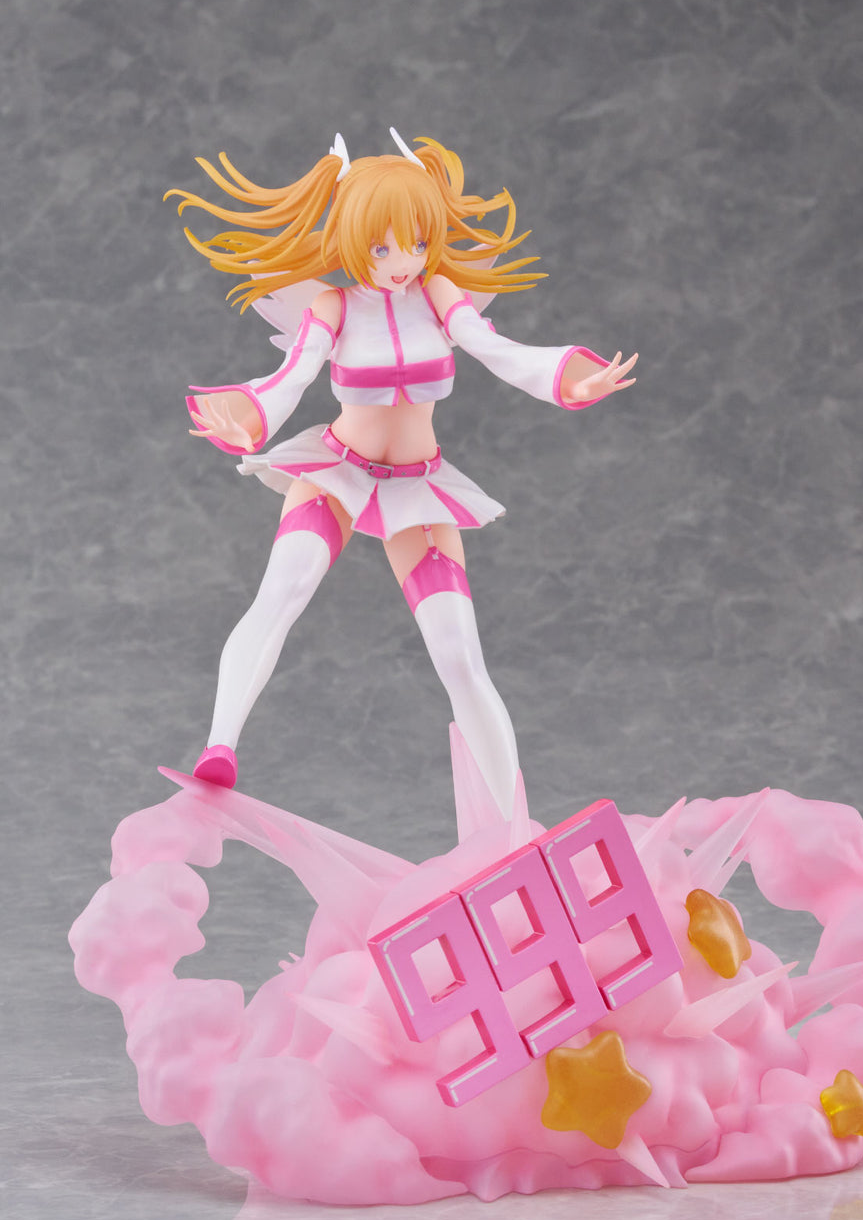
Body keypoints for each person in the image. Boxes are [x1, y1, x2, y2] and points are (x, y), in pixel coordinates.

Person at [166, 129, 636, 817]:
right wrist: (250, 418)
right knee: (282, 593)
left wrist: (568, 378)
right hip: (335, 473)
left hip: (419, 490)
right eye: (382, 247)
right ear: (352, 240)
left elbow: (497, 349)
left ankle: (515, 822)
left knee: (460, 655)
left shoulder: (438, 293)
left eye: (416, 243)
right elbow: (290, 377)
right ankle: (220, 746)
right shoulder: (333, 307)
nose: (402, 262)